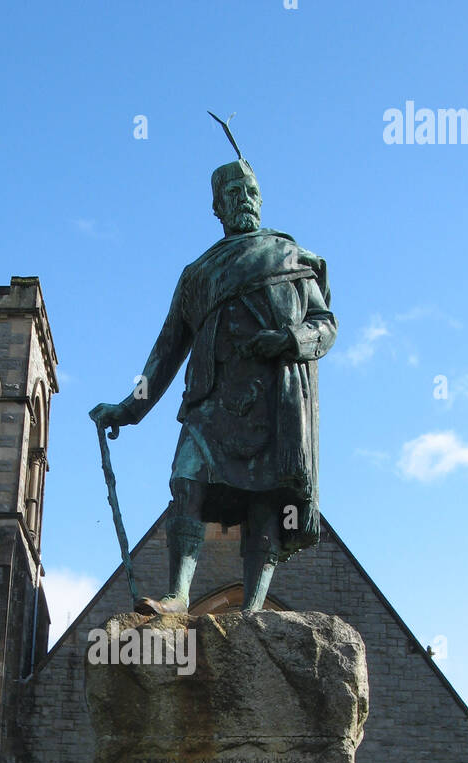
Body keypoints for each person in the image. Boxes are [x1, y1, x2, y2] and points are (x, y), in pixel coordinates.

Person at [90, 151, 337, 614]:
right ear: (217, 207)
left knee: (264, 503)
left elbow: (324, 325)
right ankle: (178, 595)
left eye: (250, 192)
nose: (244, 200)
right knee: (186, 480)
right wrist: (128, 408)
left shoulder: (288, 257)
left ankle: (253, 611)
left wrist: (289, 339)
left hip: (271, 402)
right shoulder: (198, 275)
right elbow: (166, 350)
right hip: (210, 402)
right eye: (233, 194)